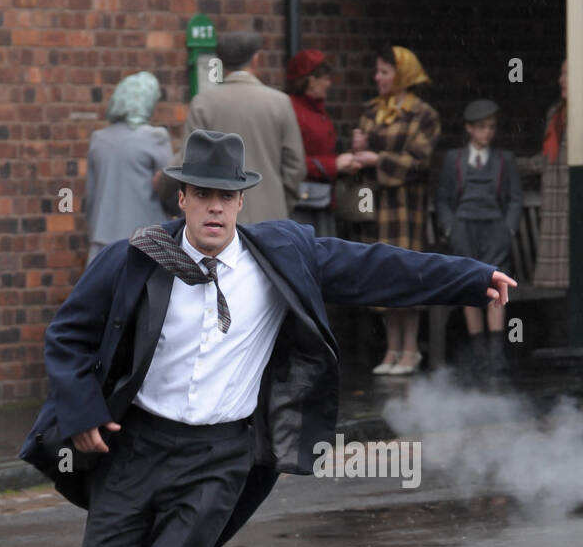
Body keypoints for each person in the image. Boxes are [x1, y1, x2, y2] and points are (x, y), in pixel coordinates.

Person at [19, 130, 515, 547]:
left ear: (241, 203)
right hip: (138, 448)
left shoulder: (283, 256)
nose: (216, 208)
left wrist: (472, 279)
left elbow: (379, 266)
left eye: (227, 196)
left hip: (220, 459)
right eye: (203, 195)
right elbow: (68, 336)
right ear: (183, 198)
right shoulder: (132, 260)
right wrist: (82, 415)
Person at [350, 45, 440, 376]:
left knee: (408, 276)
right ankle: (391, 349)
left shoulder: (424, 114)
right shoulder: (372, 110)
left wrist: (379, 159)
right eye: (378, 71)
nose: (378, 78)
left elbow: (420, 161)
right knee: (384, 276)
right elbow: (360, 159)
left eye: (385, 72)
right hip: (377, 206)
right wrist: (359, 150)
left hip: (406, 208)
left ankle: (410, 349)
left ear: (403, 75)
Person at [162, 31, 305, 223]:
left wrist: (162, 187)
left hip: (218, 218)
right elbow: (295, 166)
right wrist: (279, 202)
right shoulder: (280, 103)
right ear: (256, 59)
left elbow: (188, 160)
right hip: (271, 217)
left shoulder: (204, 103)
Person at [436, 99, 523, 381]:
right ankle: (478, 351)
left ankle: (496, 351)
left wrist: (508, 228)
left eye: (491, 127)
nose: (488, 133)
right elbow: (444, 199)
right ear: (469, 129)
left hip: (494, 228)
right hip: (464, 227)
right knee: (470, 283)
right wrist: (450, 228)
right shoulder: (454, 160)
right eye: (482, 127)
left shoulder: (503, 160)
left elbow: (514, 198)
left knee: (496, 284)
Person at [85, 72, 172, 258]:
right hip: (148, 242)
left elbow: (90, 198)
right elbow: (170, 191)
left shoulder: (98, 140)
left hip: (103, 242)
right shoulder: (156, 138)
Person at [285, 49, 359, 236]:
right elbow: (289, 161)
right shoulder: (292, 110)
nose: (328, 83)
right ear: (310, 80)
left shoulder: (317, 111)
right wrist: (334, 164)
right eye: (325, 78)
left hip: (322, 200)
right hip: (302, 206)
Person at [520, 60, 569, 290]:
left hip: (574, 204)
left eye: (567, 74)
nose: (561, 80)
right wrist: (512, 165)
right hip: (555, 205)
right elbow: (549, 159)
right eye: (561, 74)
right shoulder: (556, 114)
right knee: (555, 284)